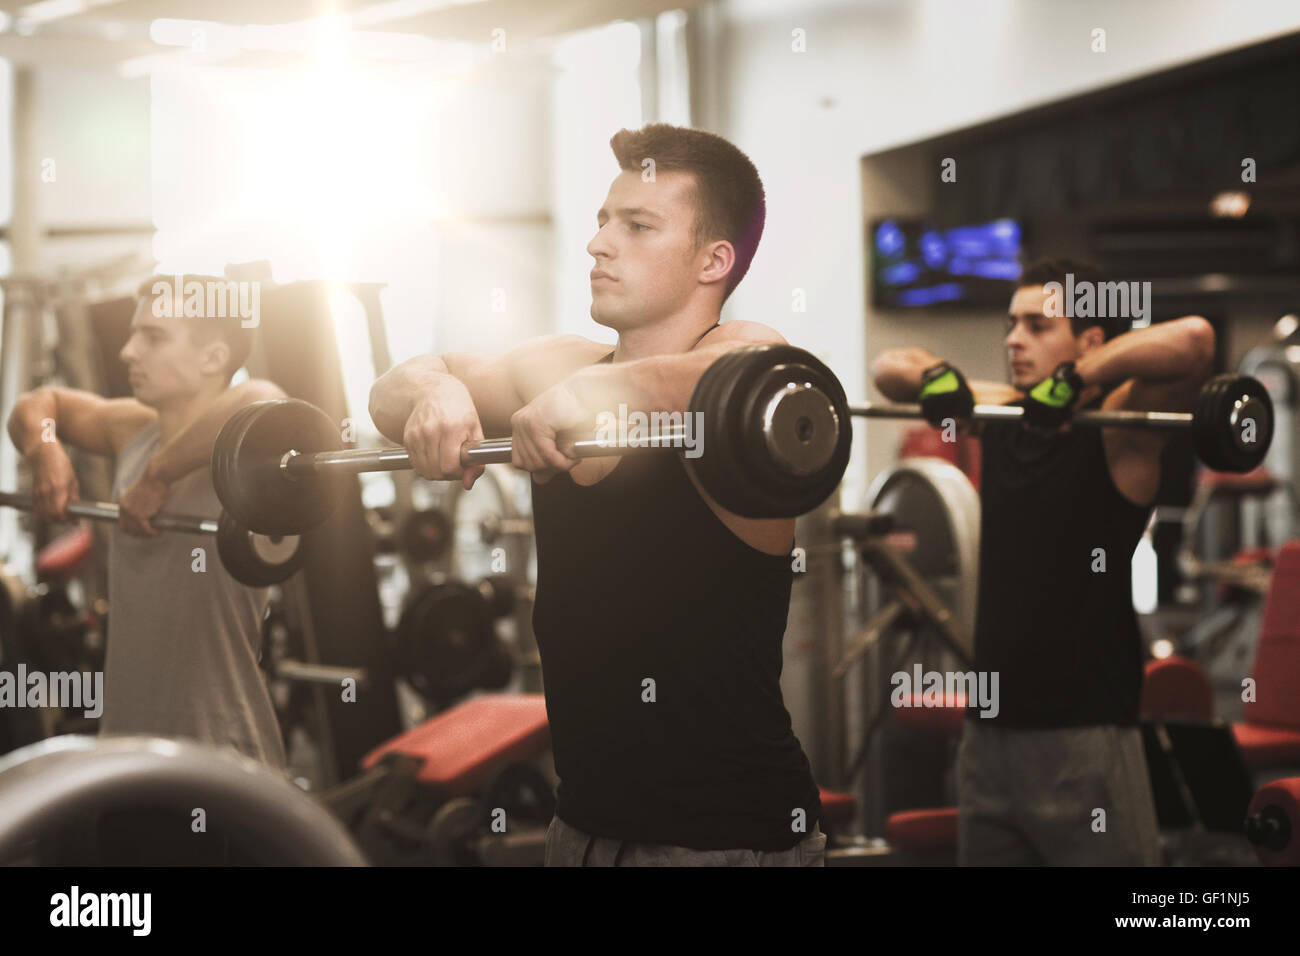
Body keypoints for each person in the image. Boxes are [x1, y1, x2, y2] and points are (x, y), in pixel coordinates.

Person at [370, 124, 826, 866]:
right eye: (602, 221)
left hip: (725, 840)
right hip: (579, 831)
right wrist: (438, 392)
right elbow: (392, 387)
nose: (599, 243)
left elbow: (762, 366)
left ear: (715, 260)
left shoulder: (748, 378)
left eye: (637, 226)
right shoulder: (555, 365)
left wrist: (593, 391)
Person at [872, 258, 1215, 865]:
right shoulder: (1002, 409)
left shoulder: (1122, 427)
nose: (1013, 339)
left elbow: (1193, 340)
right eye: (1012, 323)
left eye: (1036, 324)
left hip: (1083, 740)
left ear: (1088, 341)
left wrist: (1079, 379)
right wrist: (938, 375)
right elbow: (888, 371)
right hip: (988, 739)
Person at [7, 274, 288, 770]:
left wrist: (159, 476)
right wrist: (46, 447)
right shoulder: (132, 429)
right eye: (134, 333)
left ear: (214, 358)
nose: (128, 351)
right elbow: (38, 404)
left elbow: (260, 398)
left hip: (222, 753)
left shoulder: (250, 448)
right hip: (127, 752)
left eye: (153, 336)